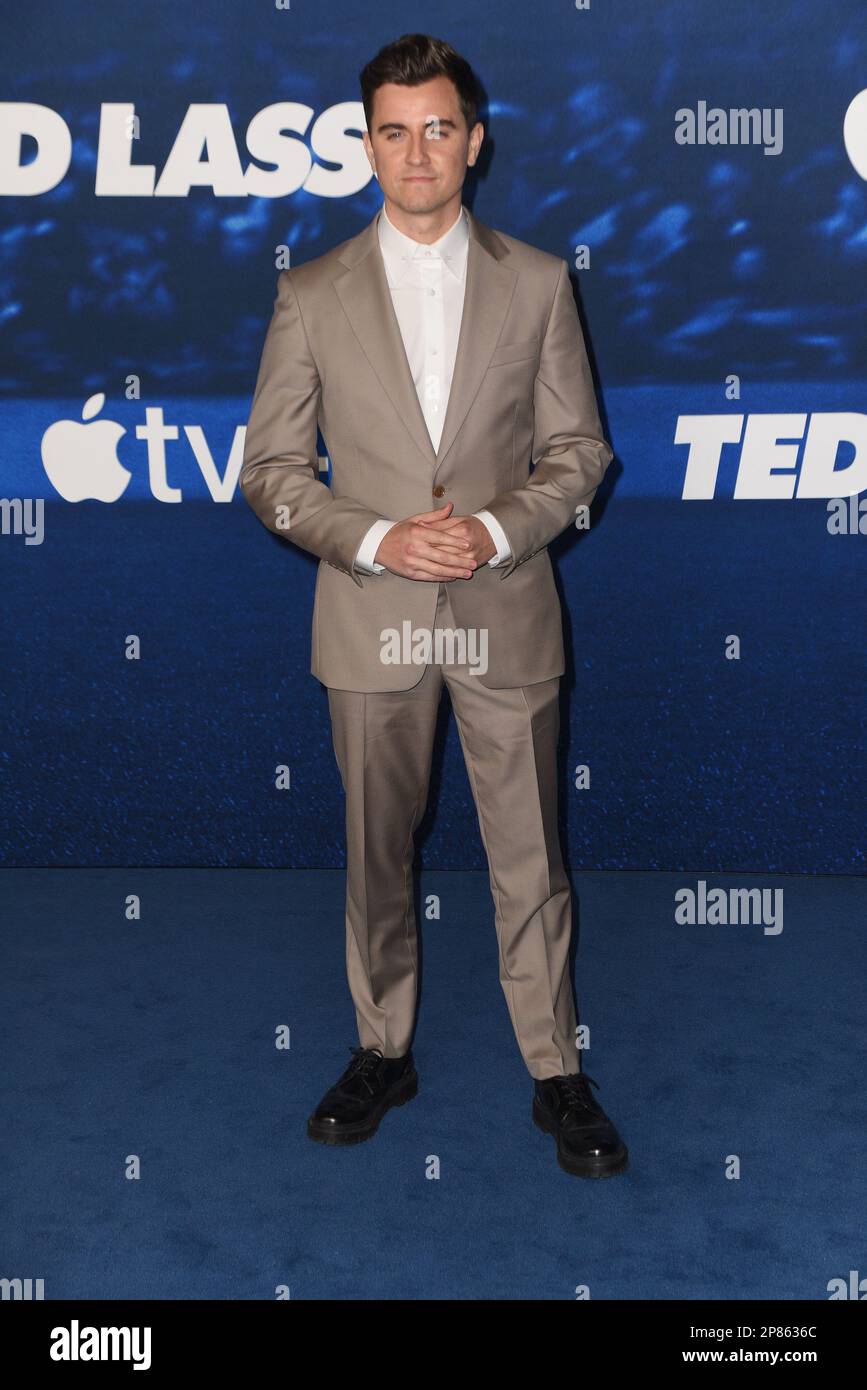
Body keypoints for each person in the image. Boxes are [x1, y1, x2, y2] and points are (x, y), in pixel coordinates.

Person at [240, 32, 627, 1178]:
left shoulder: (542, 281)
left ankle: (557, 1068)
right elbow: (268, 470)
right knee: (376, 857)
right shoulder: (309, 294)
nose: (419, 152)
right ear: (368, 144)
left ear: (475, 140)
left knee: (530, 856)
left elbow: (579, 448)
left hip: (507, 607)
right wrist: (378, 537)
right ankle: (381, 1047)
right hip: (370, 616)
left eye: (440, 128)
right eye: (395, 131)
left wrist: (500, 527)